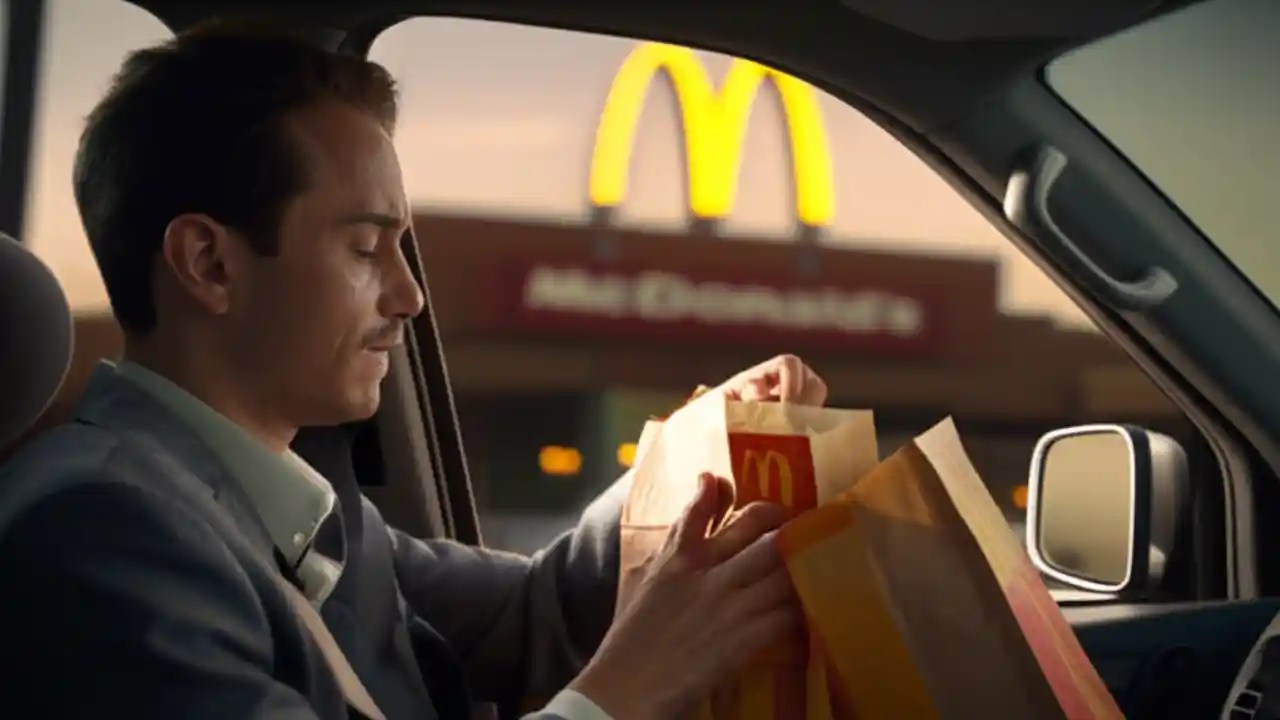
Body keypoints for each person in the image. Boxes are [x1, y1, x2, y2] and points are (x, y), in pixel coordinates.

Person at [0, 24, 830, 720]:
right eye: (366, 248)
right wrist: (620, 697)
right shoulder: (98, 532)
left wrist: (691, 451)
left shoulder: (290, 507)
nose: (409, 295)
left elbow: (531, 615)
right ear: (210, 264)